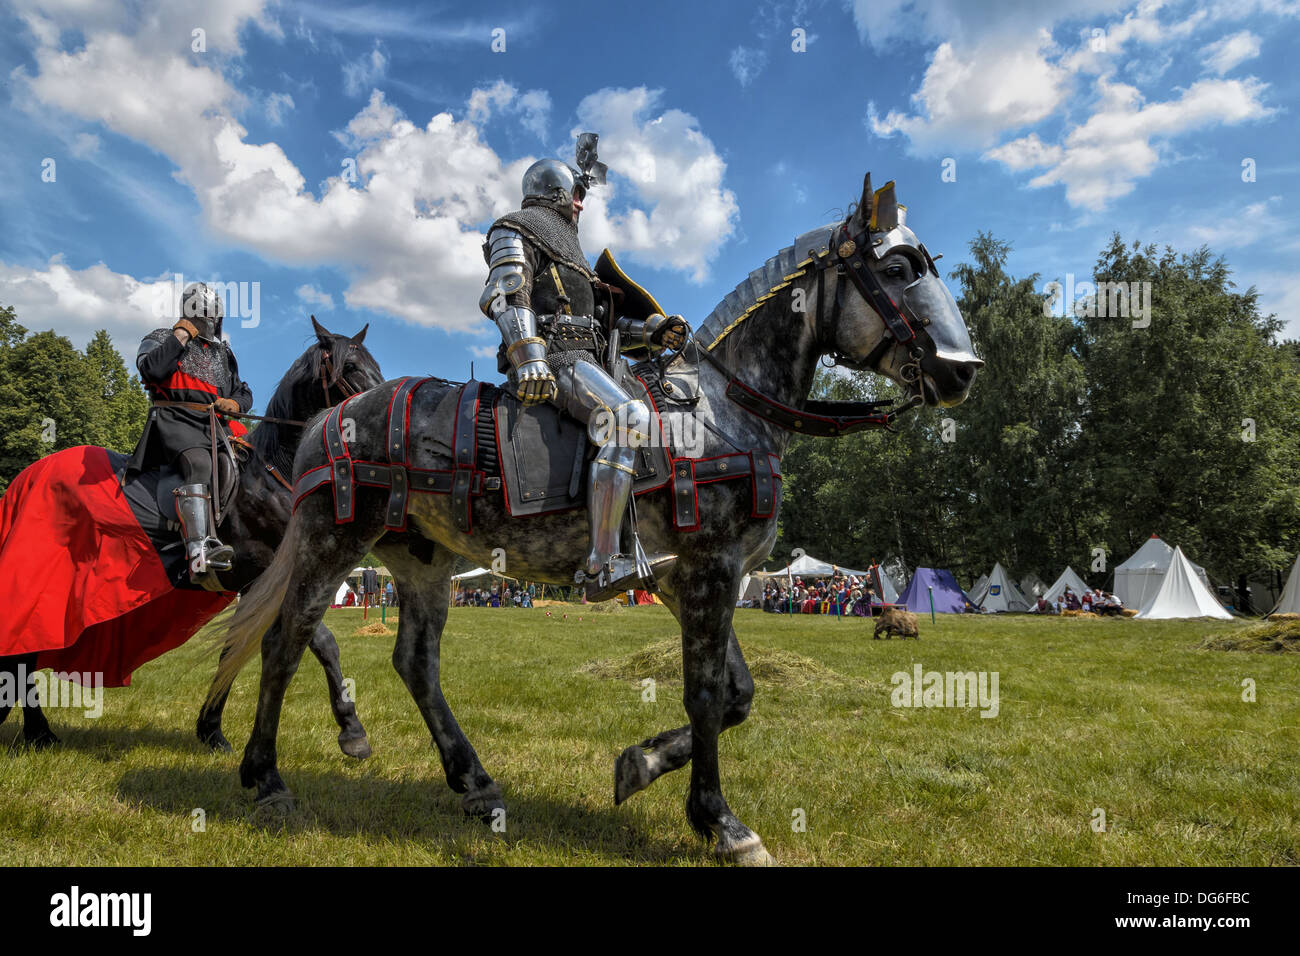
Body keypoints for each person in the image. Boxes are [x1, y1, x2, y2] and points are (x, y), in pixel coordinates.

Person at [480, 136, 686, 599]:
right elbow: (505, 293)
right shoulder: (515, 228)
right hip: (553, 358)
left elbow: (600, 327)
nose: (580, 204)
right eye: (576, 194)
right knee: (629, 418)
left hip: (587, 358)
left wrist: (652, 334)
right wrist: (528, 357)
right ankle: (602, 564)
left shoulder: (574, 256)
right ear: (554, 194)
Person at [129, 282, 252, 587]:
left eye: (213, 315)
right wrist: (181, 334)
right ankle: (198, 551)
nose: (209, 320)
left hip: (216, 427)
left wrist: (234, 403)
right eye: (203, 314)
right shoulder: (161, 338)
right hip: (174, 422)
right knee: (200, 464)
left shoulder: (223, 354)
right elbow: (152, 371)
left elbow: (244, 391)